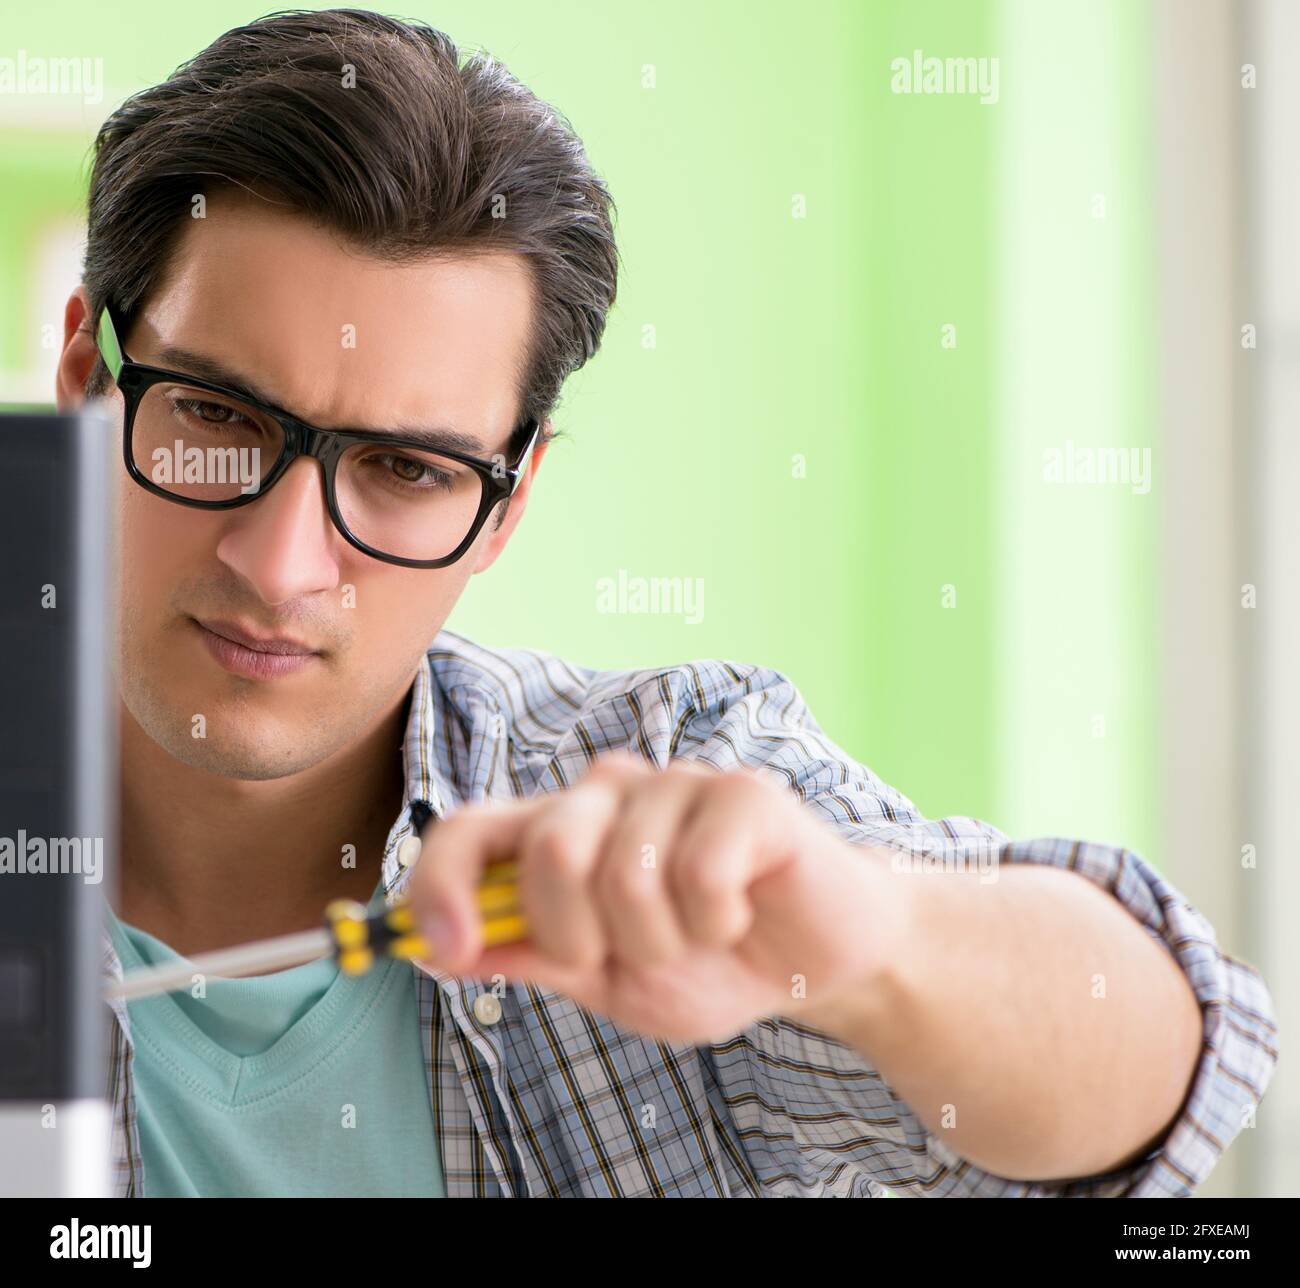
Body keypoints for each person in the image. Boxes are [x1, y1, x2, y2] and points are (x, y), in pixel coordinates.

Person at [56, 8, 1276, 1198]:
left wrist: (872, 945)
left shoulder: (650, 788)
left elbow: (1172, 1053)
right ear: (80, 378)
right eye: (215, 416)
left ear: (508, 501)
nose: (280, 565)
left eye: (406, 470)